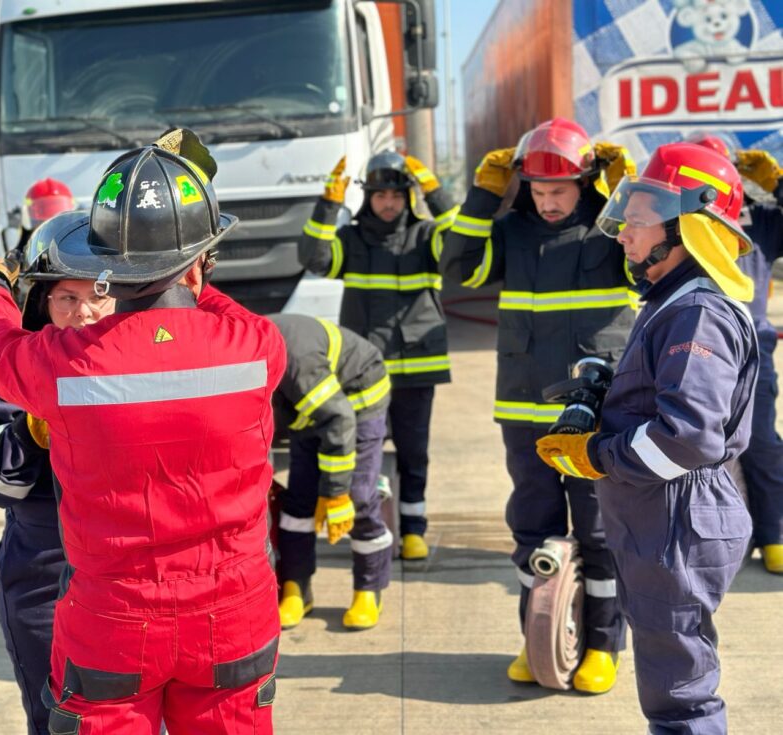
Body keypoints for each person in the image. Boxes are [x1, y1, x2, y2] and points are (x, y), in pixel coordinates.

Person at [0, 135, 287, 734]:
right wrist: (192, 264)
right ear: (200, 261)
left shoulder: (63, 363)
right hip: (234, 614)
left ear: (107, 263)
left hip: (114, 624)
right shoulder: (258, 348)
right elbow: (216, 306)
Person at [537, 142, 758, 733]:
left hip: (677, 522)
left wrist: (596, 456)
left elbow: (686, 438)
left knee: (680, 697)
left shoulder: (697, 314)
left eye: (637, 223)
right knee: (670, 681)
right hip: (662, 518)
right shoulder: (671, 303)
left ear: (690, 226)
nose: (624, 236)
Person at [442, 118, 635, 692]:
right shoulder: (511, 232)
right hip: (524, 410)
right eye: (538, 191)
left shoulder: (614, 230)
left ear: (586, 183)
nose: (548, 203)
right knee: (532, 529)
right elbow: (458, 267)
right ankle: (535, 638)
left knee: (600, 533)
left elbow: (651, 264)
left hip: (595, 411)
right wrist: (482, 195)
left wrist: (627, 188)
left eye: (560, 191)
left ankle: (603, 645)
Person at [0, 188, 95, 735]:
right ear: (42, 303)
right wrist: (29, 435)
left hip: (134, 569)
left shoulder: (146, 358)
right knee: (58, 716)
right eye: (66, 298)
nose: (83, 312)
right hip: (44, 570)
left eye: (98, 292)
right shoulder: (18, 364)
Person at [298, 150, 457, 561]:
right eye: (380, 195)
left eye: (397, 195)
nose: (389, 203)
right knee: (362, 452)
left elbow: (460, 245)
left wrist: (436, 193)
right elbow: (313, 259)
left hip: (415, 370)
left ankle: (414, 529)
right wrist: (328, 205)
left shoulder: (426, 237)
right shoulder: (349, 239)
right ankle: (369, 524)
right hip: (364, 376)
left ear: (408, 198)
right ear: (368, 197)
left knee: (413, 452)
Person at [687, 133, 783, 575]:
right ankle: (706, 534)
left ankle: (774, 534)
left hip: (752, 349)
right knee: (694, 444)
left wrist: (778, 183)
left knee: (760, 442)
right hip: (690, 344)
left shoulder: (759, 220)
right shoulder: (678, 222)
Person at [269, 313, 392, 630]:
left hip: (357, 395)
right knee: (298, 502)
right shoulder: (243, 364)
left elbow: (339, 420)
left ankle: (368, 589)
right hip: (308, 408)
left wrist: (336, 494)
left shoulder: (297, 363)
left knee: (359, 499)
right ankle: (297, 589)